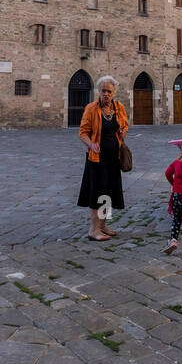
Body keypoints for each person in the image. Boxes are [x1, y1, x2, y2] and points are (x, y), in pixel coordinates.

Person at [77, 75, 128, 241]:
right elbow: (83, 132)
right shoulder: (91, 108)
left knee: (109, 191)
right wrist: (91, 144)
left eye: (109, 91)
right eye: (103, 91)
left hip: (114, 157)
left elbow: (124, 124)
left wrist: (122, 132)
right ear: (98, 91)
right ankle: (93, 229)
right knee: (97, 192)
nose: (106, 94)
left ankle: (103, 225)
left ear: (114, 93)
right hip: (97, 159)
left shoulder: (119, 107)